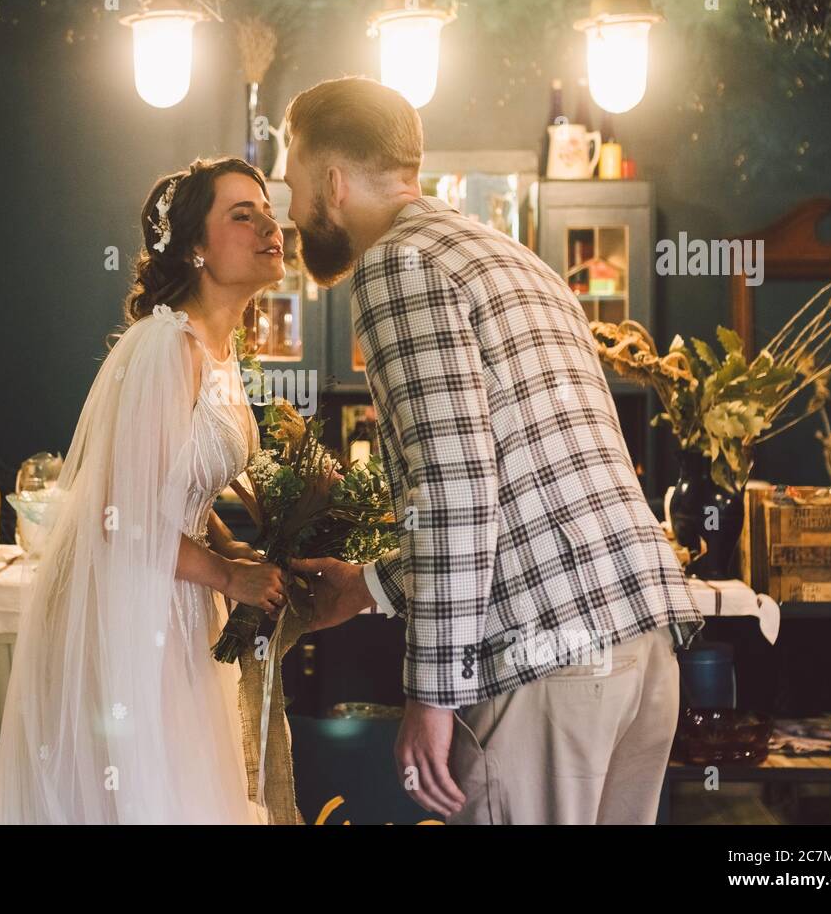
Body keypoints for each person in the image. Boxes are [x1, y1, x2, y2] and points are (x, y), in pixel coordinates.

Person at [284, 77, 705, 824]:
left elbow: (455, 489)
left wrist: (431, 694)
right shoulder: (513, 259)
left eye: (292, 184)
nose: (289, 211)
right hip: (640, 648)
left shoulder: (398, 266)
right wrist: (366, 586)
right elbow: (521, 489)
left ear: (332, 182)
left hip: (549, 663)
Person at [0, 157, 287, 823]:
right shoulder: (166, 347)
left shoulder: (219, 352)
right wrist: (229, 577)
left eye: (268, 209)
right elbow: (123, 517)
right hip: (136, 609)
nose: (271, 224)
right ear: (196, 247)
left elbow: (182, 497)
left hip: (178, 600)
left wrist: (248, 555)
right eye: (243, 214)